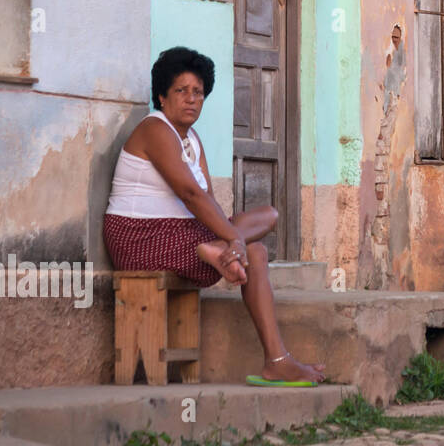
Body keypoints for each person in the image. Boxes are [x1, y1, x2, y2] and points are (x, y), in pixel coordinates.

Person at [104, 46, 325, 386]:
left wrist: (227, 237)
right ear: (162, 96)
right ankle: (213, 250)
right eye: (181, 91)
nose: (192, 99)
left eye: (198, 93)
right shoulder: (154, 129)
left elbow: (206, 199)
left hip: (182, 233)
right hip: (138, 237)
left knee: (266, 225)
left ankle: (276, 359)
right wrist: (233, 237)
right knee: (247, 246)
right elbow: (190, 195)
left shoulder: (191, 139)